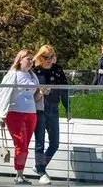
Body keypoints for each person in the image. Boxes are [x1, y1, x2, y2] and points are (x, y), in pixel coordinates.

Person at [0, 49, 43, 185]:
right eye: (28, 59)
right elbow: (3, 94)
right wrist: (2, 115)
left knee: (25, 145)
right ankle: (19, 174)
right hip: (15, 113)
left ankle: (20, 173)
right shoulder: (13, 75)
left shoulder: (33, 76)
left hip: (31, 114)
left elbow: (35, 97)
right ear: (20, 59)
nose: (31, 61)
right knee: (20, 144)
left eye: (31, 59)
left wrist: (42, 92)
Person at [32, 45, 70, 185]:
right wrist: (40, 94)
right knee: (40, 142)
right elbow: (29, 92)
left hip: (53, 108)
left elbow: (65, 90)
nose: (48, 60)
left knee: (54, 143)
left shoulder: (58, 70)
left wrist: (68, 108)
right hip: (39, 109)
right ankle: (41, 171)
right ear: (40, 57)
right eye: (45, 57)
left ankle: (39, 166)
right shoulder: (35, 72)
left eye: (51, 56)